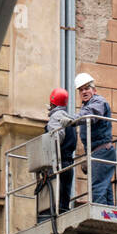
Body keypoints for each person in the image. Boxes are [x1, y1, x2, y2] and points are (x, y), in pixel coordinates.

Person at [73, 72, 116, 205]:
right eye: (81, 90)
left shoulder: (98, 101)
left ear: (94, 90)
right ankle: (109, 215)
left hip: (102, 151)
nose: (84, 91)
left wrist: (71, 119)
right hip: (99, 152)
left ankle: (101, 217)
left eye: (87, 88)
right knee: (104, 187)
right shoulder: (87, 106)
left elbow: (91, 115)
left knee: (97, 188)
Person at [37, 87, 76, 223]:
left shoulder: (55, 117)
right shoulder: (69, 118)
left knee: (53, 202)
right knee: (64, 201)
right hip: (68, 164)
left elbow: (56, 138)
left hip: (57, 164)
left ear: (52, 103)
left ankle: (49, 221)